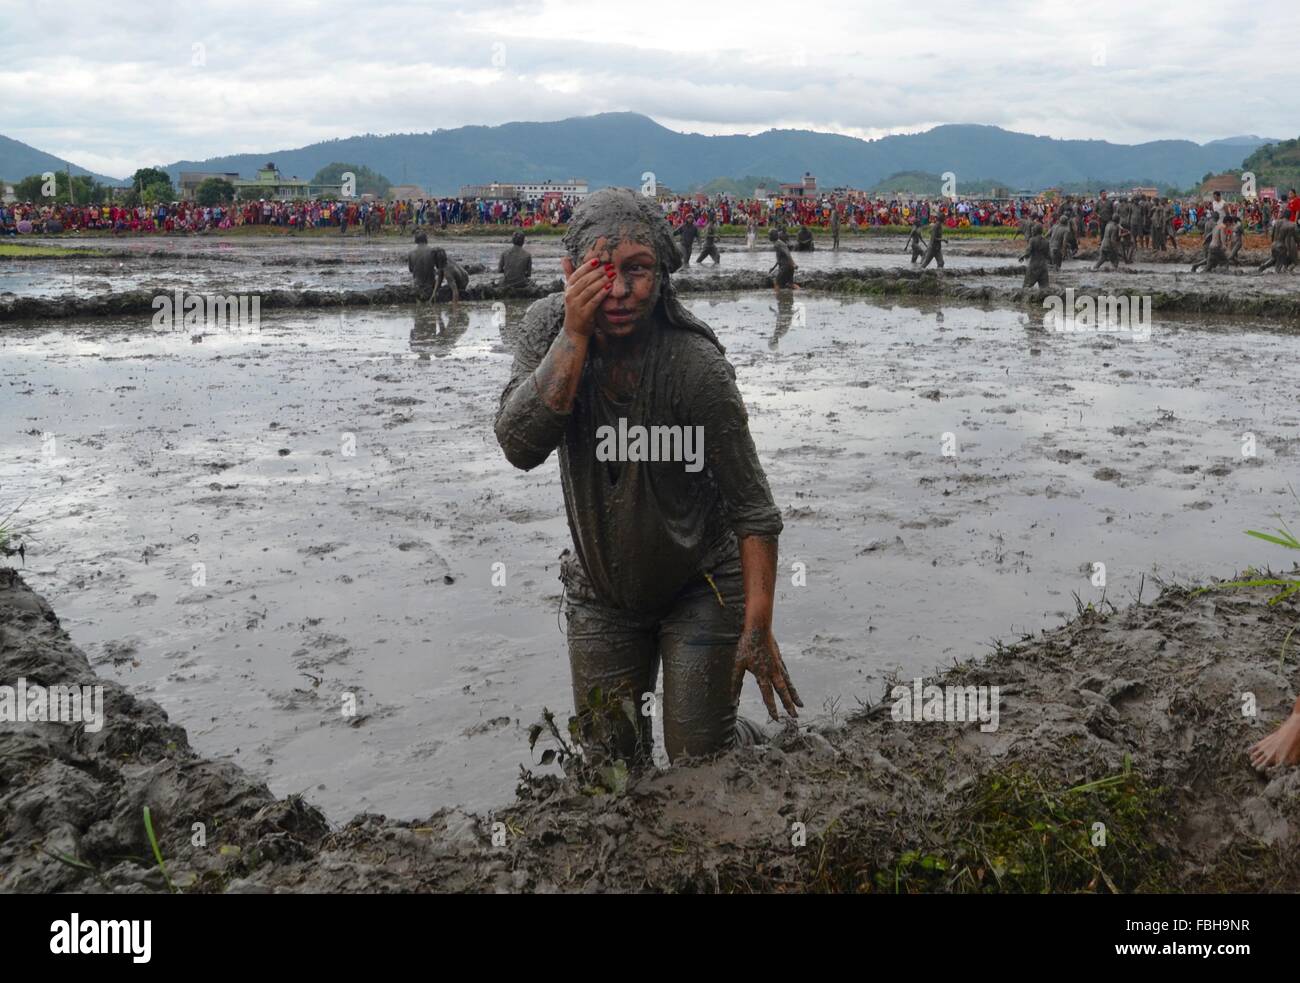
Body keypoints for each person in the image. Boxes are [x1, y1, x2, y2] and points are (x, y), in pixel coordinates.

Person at [493, 188, 800, 765]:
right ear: (569, 271)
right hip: (601, 586)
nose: (619, 291)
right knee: (609, 767)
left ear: (661, 276)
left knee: (699, 762)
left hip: (701, 584)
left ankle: (766, 745)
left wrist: (756, 625)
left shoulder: (694, 364)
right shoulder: (546, 330)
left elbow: (753, 508)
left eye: (637, 270)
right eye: (600, 271)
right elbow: (518, 445)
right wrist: (575, 337)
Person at [408, 231, 438, 300]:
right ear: (426, 239)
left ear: (415, 240)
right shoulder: (432, 251)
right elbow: (438, 268)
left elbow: (411, 269)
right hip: (431, 285)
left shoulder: (411, 253)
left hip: (417, 285)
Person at [1019, 222, 1050, 287]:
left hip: (1033, 266)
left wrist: (1022, 256)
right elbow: (1048, 255)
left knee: (1026, 287)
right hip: (1043, 267)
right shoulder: (1046, 241)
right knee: (1045, 288)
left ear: (1035, 230)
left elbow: (1028, 252)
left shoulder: (1032, 240)